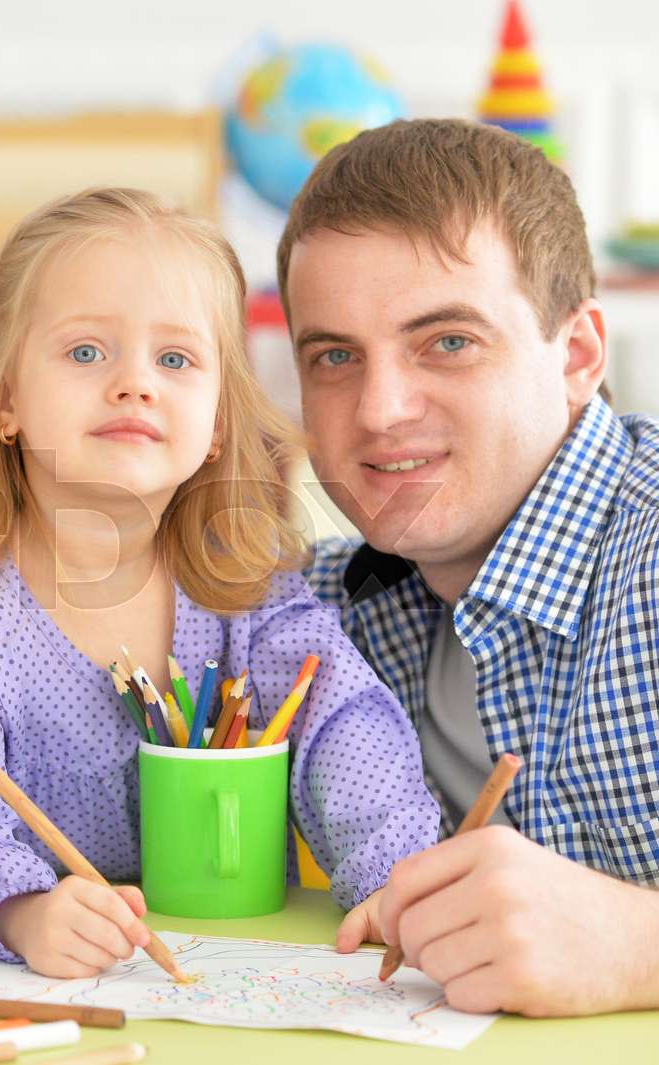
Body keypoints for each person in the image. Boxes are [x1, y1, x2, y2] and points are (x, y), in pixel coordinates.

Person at [0, 187, 438, 977]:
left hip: (239, 978)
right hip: (67, 1000)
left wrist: (399, 879)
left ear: (215, 424)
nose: (134, 383)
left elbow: (347, 735)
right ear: (6, 399)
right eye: (85, 352)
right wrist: (22, 913)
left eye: (174, 359)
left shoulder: (251, 598)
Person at [287, 118, 659, 1016]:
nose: (379, 411)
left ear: (575, 355)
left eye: (447, 341)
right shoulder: (331, 608)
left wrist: (638, 948)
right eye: (335, 357)